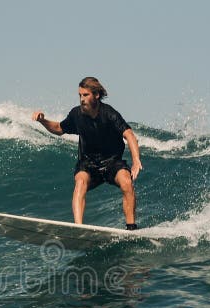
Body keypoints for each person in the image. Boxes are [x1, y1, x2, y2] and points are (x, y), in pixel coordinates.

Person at [32, 77, 143, 229]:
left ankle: (131, 228)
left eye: (85, 95)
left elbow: (129, 134)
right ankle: (79, 227)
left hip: (112, 162)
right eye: (80, 95)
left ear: (96, 95)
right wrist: (42, 121)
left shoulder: (109, 114)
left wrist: (136, 160)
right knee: (80, 181)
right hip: (88, 163)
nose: (82, 99)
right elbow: (59, 128)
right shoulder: (77, 115)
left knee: (126, 182)